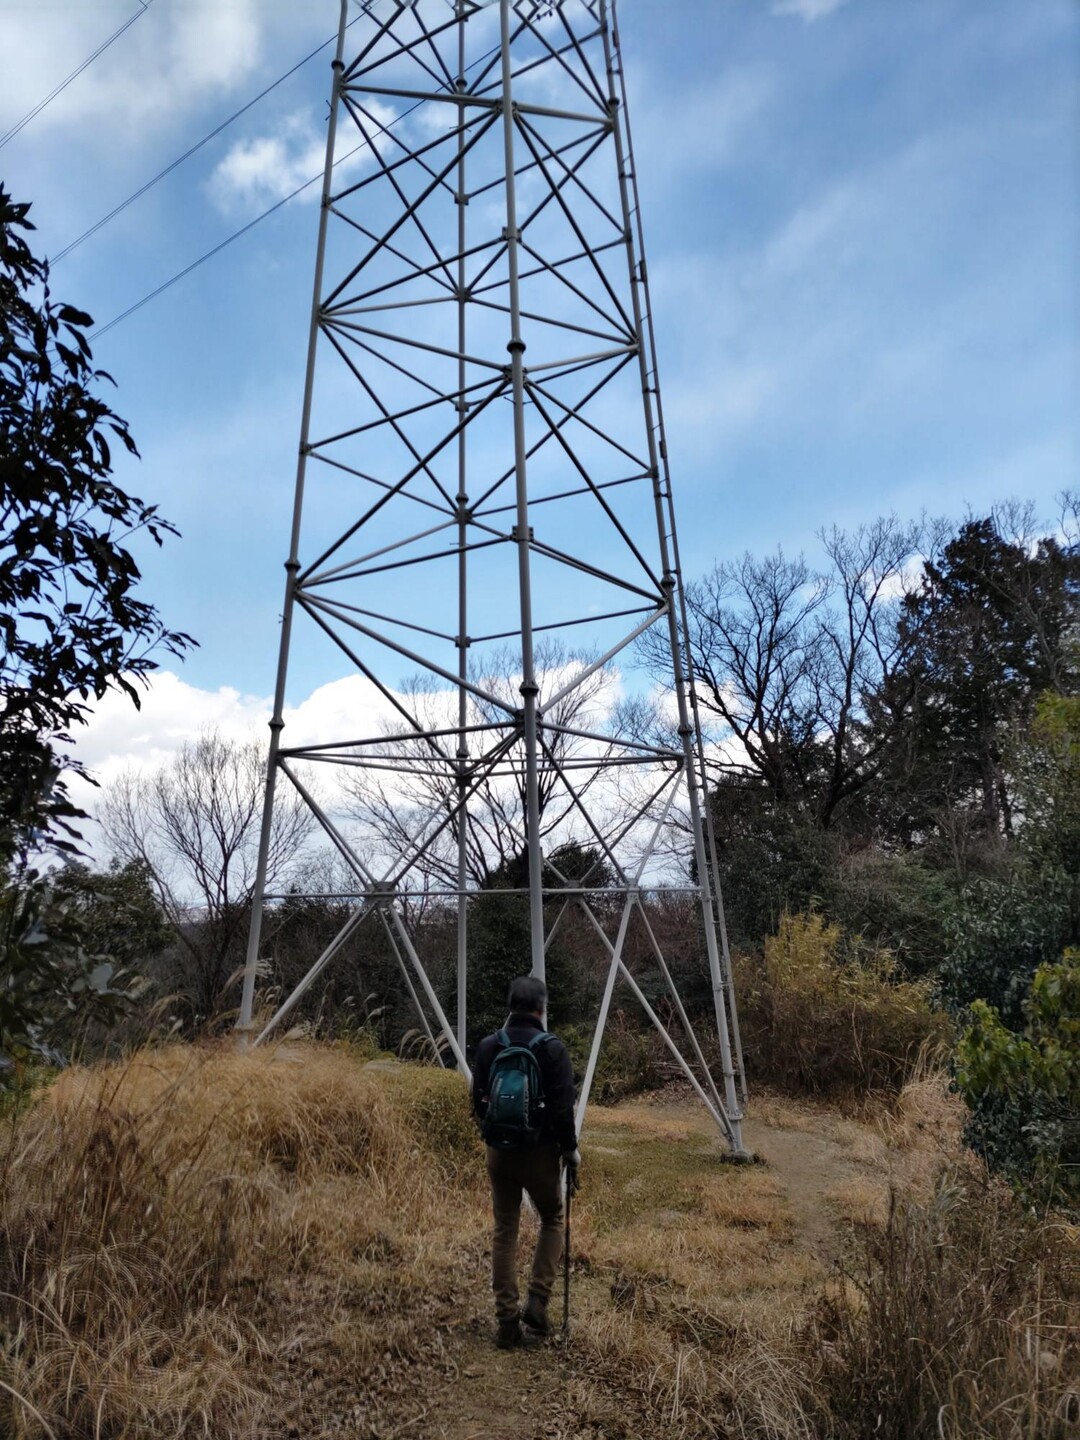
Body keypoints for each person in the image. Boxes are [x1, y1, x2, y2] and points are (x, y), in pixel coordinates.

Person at [471, 974, 580, 1349]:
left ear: (509, 1005)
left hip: (499, 1153)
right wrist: (570, 1149)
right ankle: (537, 1299)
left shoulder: (488, 1046)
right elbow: (564, 1109)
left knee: (505, 1228)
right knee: (552, 1217)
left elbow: (477, 1103)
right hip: (540, 1153)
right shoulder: (552, 1049)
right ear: (541, 1007)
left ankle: (506, 1320)